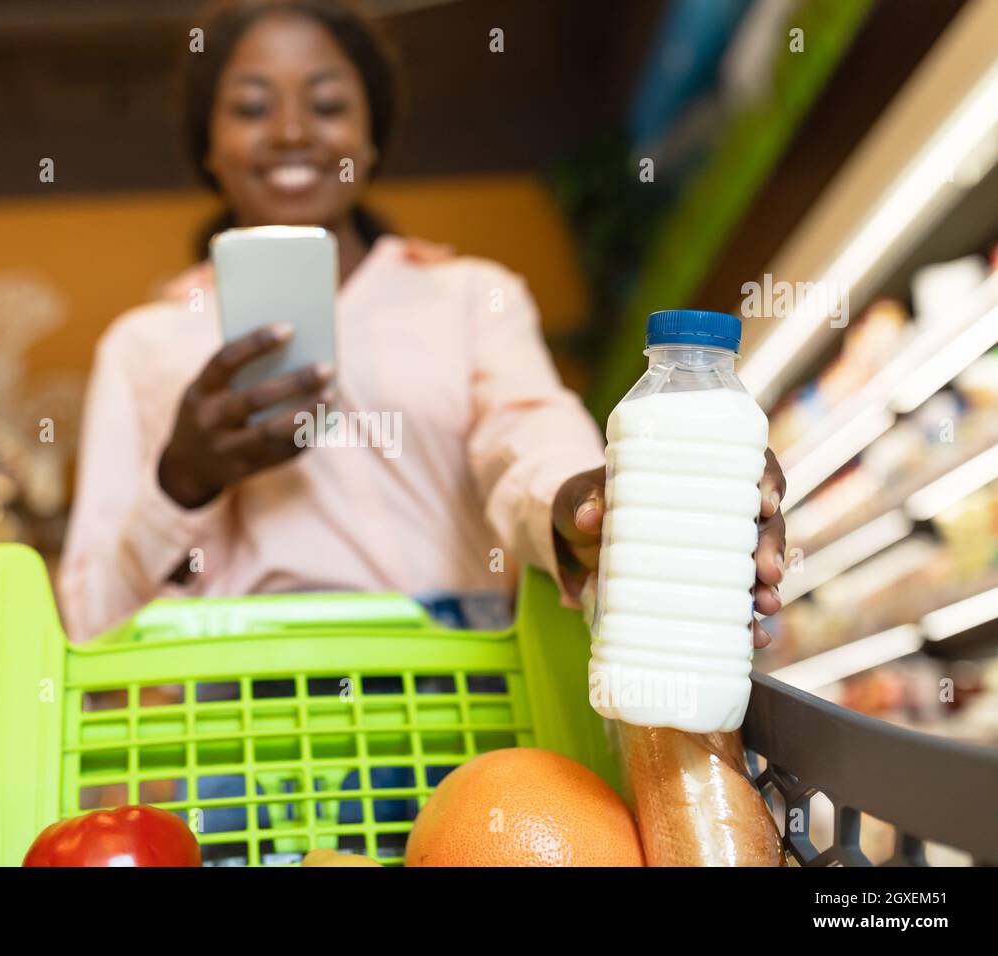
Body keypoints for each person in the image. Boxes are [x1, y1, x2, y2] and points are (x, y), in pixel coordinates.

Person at [59, 0, 787, 648]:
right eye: (251, 108)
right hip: (231, 729)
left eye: (327, 103)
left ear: (370, 138)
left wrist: (592, 501)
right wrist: (183, 480)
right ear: (208, 149)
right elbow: (90, 620)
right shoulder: (143, 345)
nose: (288, 131)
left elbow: (527, 440)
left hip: (457, 711)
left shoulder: (471, 297)